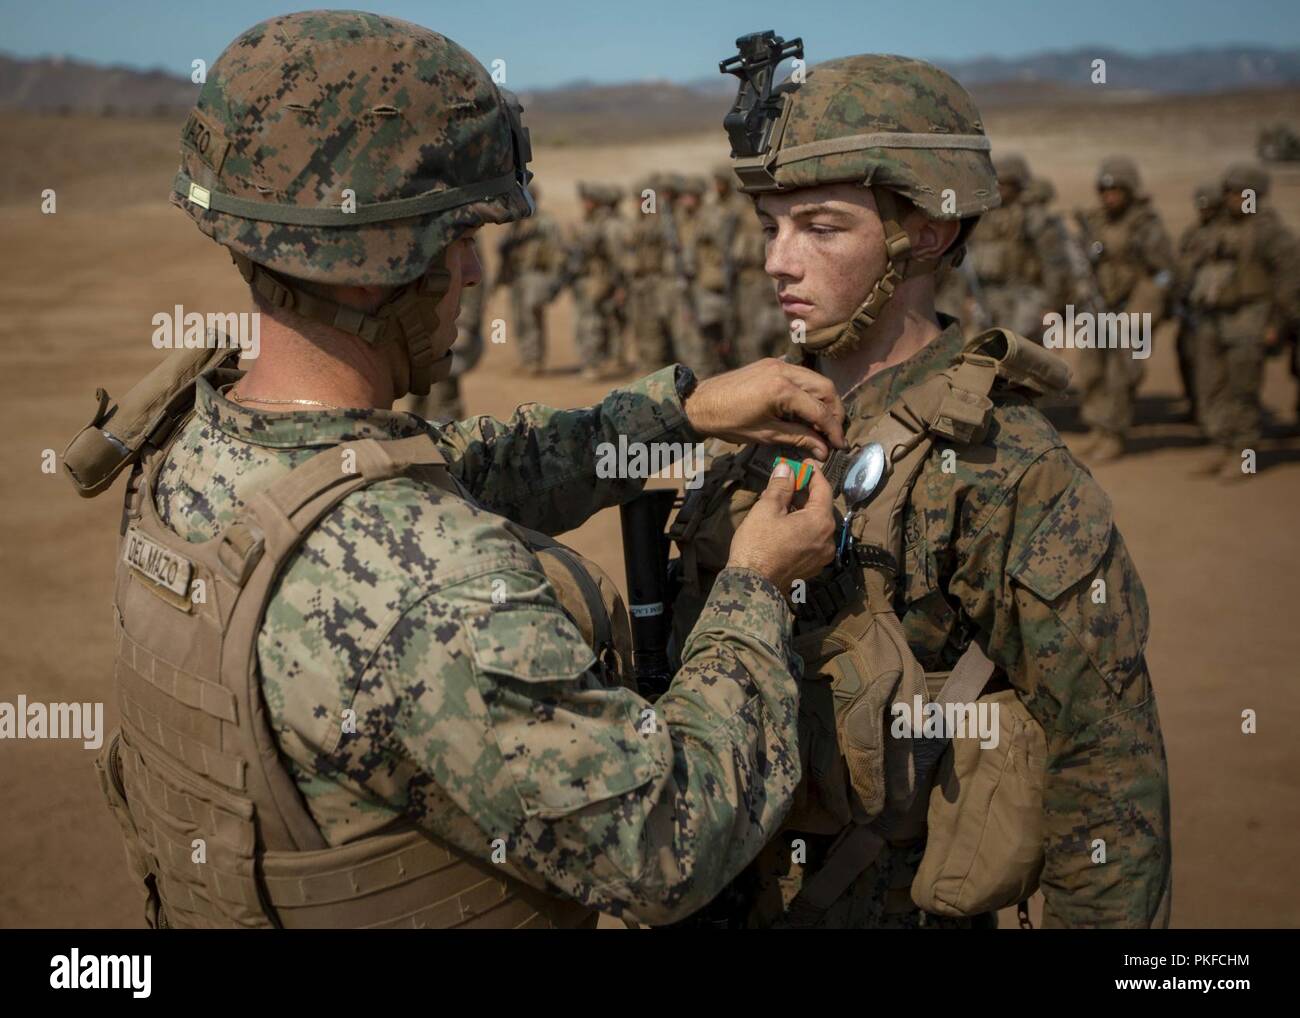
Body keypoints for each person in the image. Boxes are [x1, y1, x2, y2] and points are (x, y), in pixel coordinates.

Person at [71, 10, 848, 930]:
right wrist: (757, 585)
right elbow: (668, 844)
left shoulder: (186, 450)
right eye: (458, 240)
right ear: (377, 267)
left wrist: (674, 413)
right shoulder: (439, 592)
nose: (475, 273)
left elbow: (455, 467)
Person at [667, 49, 1171, 929]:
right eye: (770, 227)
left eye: (821, 228)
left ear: (928, 234)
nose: (778, 262)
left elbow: (1107, 770)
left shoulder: (1006, 468)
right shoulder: (756, 424)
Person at [1188, 164, 1300, 480]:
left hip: (1250, 316)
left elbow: (1289, 280)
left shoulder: (1270, 232)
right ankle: (1222, 446)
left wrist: (1277, 323)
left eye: (1240, 192)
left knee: (1243, 391)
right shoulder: (1213, 228)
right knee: (1211, 386)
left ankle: (1244, 456)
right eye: (1229, 191)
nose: (1233, 198)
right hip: (1213, 317)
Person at [1073, 156, 1176, 462]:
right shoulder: (1095, 221)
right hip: (1098, 307)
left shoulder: (1145, 225)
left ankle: (1114, 433)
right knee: (1091, 370)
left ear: (1130, 190)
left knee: (1122, 375)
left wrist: (1140, 312)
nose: (1109, 196)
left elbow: (1164, 273)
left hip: (1130, 310)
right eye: (1104, 190)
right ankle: (1097, 426)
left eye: (1116, 190)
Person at [495, 182, 563, 376]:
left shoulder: (544, 222)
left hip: (535, 274)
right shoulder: (514, 223)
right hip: (516, 276)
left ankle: (535, 360)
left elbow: (557, 251)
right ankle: (525, 358)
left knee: (532, 317)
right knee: (518, 318)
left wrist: (552, 281)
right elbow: (502, 249)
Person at [1171, 181, 1226, 419]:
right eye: (1200, 207)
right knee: (1186, 355)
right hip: (1191, 309)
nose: (1204, 212)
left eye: (1208, 207)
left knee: (1212, 368)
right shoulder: (1192, 232)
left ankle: (1213, 415)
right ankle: (1196, 407)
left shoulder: (1224, 233)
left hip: (1216, 311)